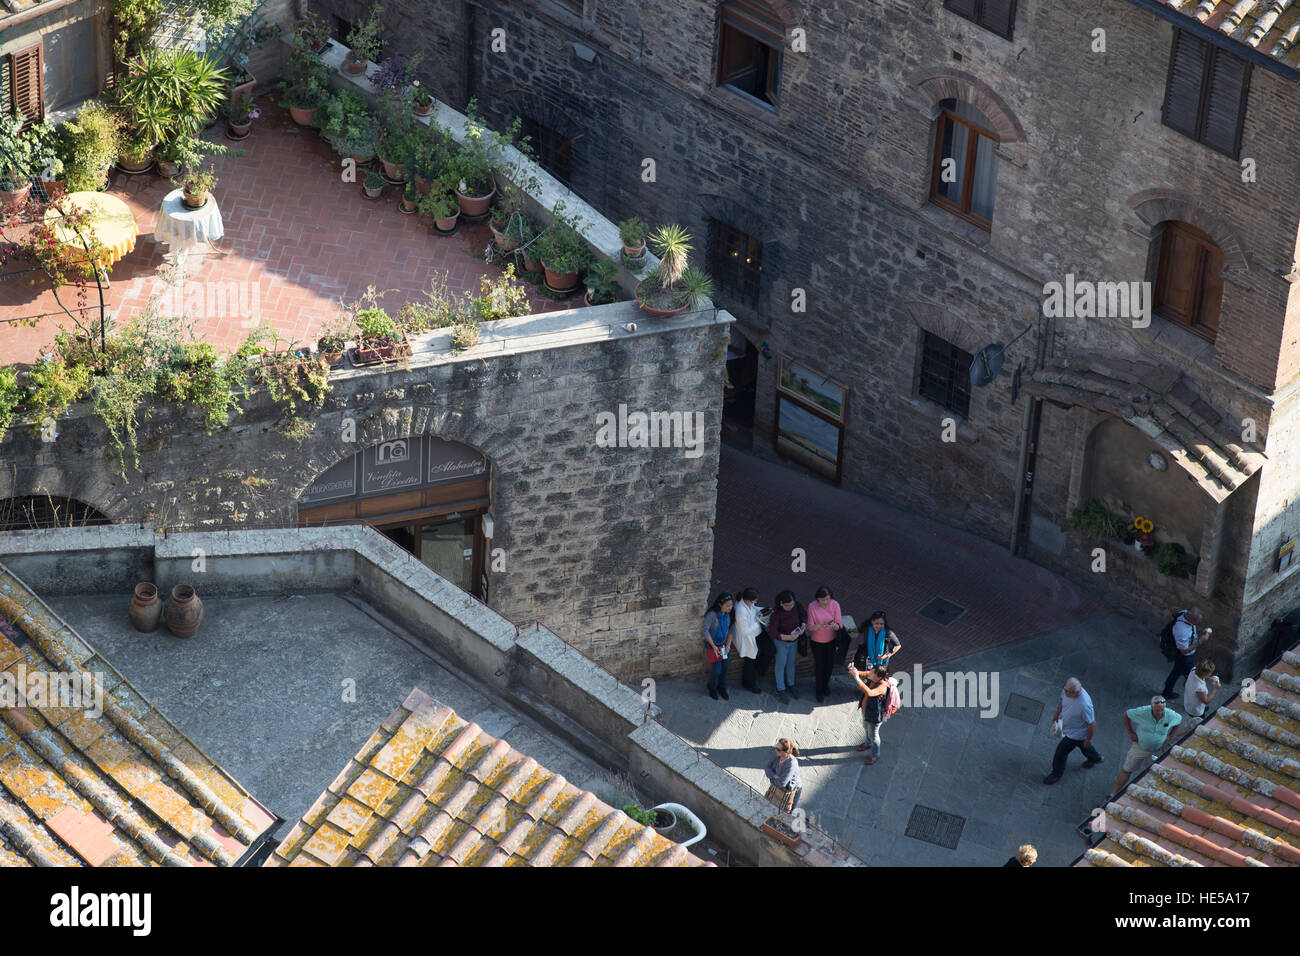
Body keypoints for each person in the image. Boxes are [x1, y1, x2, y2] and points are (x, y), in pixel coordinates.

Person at [1111, 696, 1183, 796]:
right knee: (1126, 770)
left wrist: (1170, 736)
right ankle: (1113, 794)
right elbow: (1126, 714)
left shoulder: (1170, 715)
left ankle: (1149, 794)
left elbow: (1179, 720)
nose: (1160, 713)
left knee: (1156, 773)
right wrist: (1130, 732)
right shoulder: (1142, 712)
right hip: (1140, 747)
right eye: (1157, 710)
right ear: (1151, 707)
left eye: (1162, 710)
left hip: (1157, 749)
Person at [1042, 678, 1104, 784]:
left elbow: (1091, 723)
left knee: (1061, 752)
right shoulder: (1067, 691)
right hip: (1070, 727)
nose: (1065, 693)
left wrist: (1088, 739)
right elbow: (1062, 701)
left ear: (1077, 692)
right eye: (1065, 689)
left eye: (1068, 692)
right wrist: (1057, 714)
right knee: (1082, 745)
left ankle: (1056, 774)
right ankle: (1095, 758)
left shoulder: (1085, 705)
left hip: (1077, 733)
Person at [1162, 607, 1211, 700]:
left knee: (1176, 672)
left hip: (1185, 656)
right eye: (1197, 621)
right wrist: (1200, 641)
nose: (1198, 623)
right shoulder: (1182, 631)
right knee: (1195, 679)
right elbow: (1183, 651)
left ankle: (1167, 692)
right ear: (1190, 619)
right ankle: (1197, 701)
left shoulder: (1185, 613)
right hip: (1185, 657)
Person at [806, 585, 843, 702]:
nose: (826, 602)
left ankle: (825, 685)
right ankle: (818, 690)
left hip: (831, 641)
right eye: (823, 600)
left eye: (828, 599)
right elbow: (810, 627)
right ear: (818, 599)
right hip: (817, 642)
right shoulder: (812, 606)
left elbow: (839, 625)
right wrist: (820, 625)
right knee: (820, 666)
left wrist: (834, 625)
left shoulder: (835, 604)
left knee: (830, 665)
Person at [848, 663, 891, 765]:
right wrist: (853, 669)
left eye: (872, 672)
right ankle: (868, 743)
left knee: (874, 735)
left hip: (875, 716)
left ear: (879, 676)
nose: (869, 673)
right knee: (866, 728)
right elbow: (860, 673)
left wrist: (857, 678)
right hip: (866, 711)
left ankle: (876, 755)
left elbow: (870, 693)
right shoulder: (873, 675)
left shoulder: (882, 687)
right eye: (871, 671)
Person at [768, 590, 805, 704]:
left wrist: (803, 625)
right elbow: (772, 632)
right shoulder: (776, 614)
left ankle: (791, 684)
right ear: (781, 604)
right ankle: (781, 689)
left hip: (793, 641)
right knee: (780, 665)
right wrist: (787, 638)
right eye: (788, 605)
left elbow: (804, 615)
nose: (791, 607)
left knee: (791, 664)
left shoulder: (797, 606)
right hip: (781, 643)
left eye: (792, 604)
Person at [733, 588, 770, 694]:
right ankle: (749, 683)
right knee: (750, 661)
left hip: (756, 632)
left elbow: (754, 608)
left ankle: (758, 670)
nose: (755, 603)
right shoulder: (740, 610)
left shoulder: (748, 604)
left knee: (770, 649)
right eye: (753, 601)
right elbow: (745, 631)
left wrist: (764, 609)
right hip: (748, 637)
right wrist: (759, 621)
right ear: (747, 600)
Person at [702, 592, 735, 701]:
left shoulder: (729, 614)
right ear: (720, 604)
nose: (730, 607)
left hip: (724, 646)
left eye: (731, 605)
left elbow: (731, 629)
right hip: (713, 646)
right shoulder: (712, 614)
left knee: (725, 668)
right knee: (717, 669)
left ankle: (722, 687)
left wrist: (729, 644)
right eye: (728, 605)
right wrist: (713, 646)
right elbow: (705, 630)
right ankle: (712, 687)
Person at [1182, 658, 1221, 735]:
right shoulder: (1200, 687)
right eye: (1209, 673)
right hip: (1195, 710)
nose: (1211, 674)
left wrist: (1209, 678)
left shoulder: (1194, 670)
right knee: (1200, 722)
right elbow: (1206, 701)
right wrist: (1215, 689)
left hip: (1188, 700)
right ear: (1205, 674)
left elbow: (1201, 675)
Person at [764, 737, 803, 812]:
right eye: (776, 747)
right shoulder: (777, 755)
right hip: (778, 784)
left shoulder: (791, 764)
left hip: (791, 789)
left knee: (788, 813)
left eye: (778, 749)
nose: (776, 750)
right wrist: (774, 776)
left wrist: (771, 778)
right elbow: (767, 767)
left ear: (786, 752)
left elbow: (782, 783)